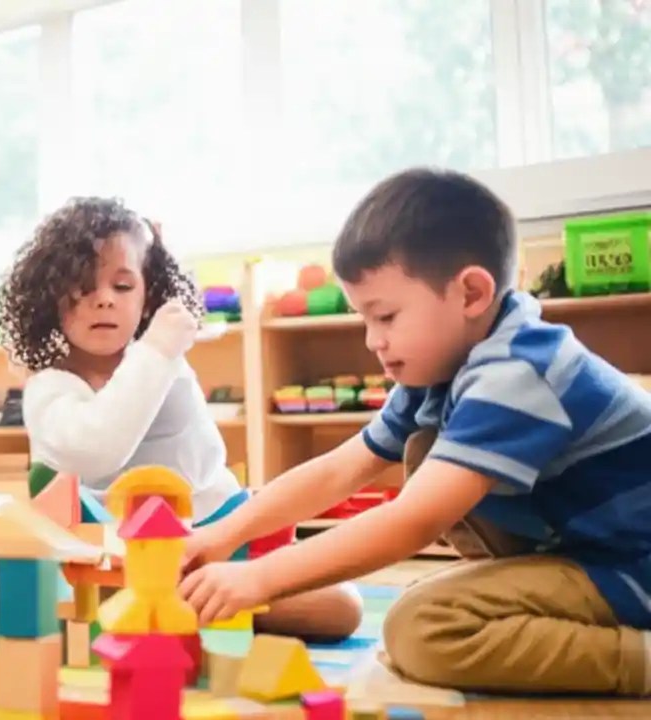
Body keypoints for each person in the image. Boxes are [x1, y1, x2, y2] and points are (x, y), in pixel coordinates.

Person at [180, 167, 651, 696]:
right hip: (587, 554)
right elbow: (342, 469)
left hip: (633, 567)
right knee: (423, 454)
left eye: (385, 317)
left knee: (420, 630)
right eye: (364, 319)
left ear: (471, 293)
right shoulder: (447, 365)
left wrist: (259, 578)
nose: (371, 341)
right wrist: (221, 536)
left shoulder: (518, 372)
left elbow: (414, 520)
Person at [0, 196, 362, 640]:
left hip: (220, 532)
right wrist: (156, 347)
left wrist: (156, 284)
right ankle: (181, 606)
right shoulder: (52, 386)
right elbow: (97, 450)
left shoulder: (158, 360)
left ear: (149, 293)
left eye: (124, 286)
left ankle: (191, 606)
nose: (104, 301)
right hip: (125, 558)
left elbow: (178, 349)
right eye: (82, 288)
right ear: (50, 298)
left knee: (342, 607)